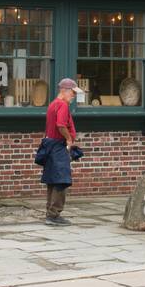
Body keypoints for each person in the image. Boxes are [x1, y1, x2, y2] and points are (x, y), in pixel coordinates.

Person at [35, 77, 82, 225]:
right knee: (62, 181)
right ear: (65, 90)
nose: (74, 96)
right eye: (73, 93)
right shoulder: (62, 105)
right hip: (58, 146)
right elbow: (61, 125)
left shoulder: (52, 105)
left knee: (52, 180)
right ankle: (54, 215)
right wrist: (69, 139)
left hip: (50, 144)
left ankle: (50, 213)